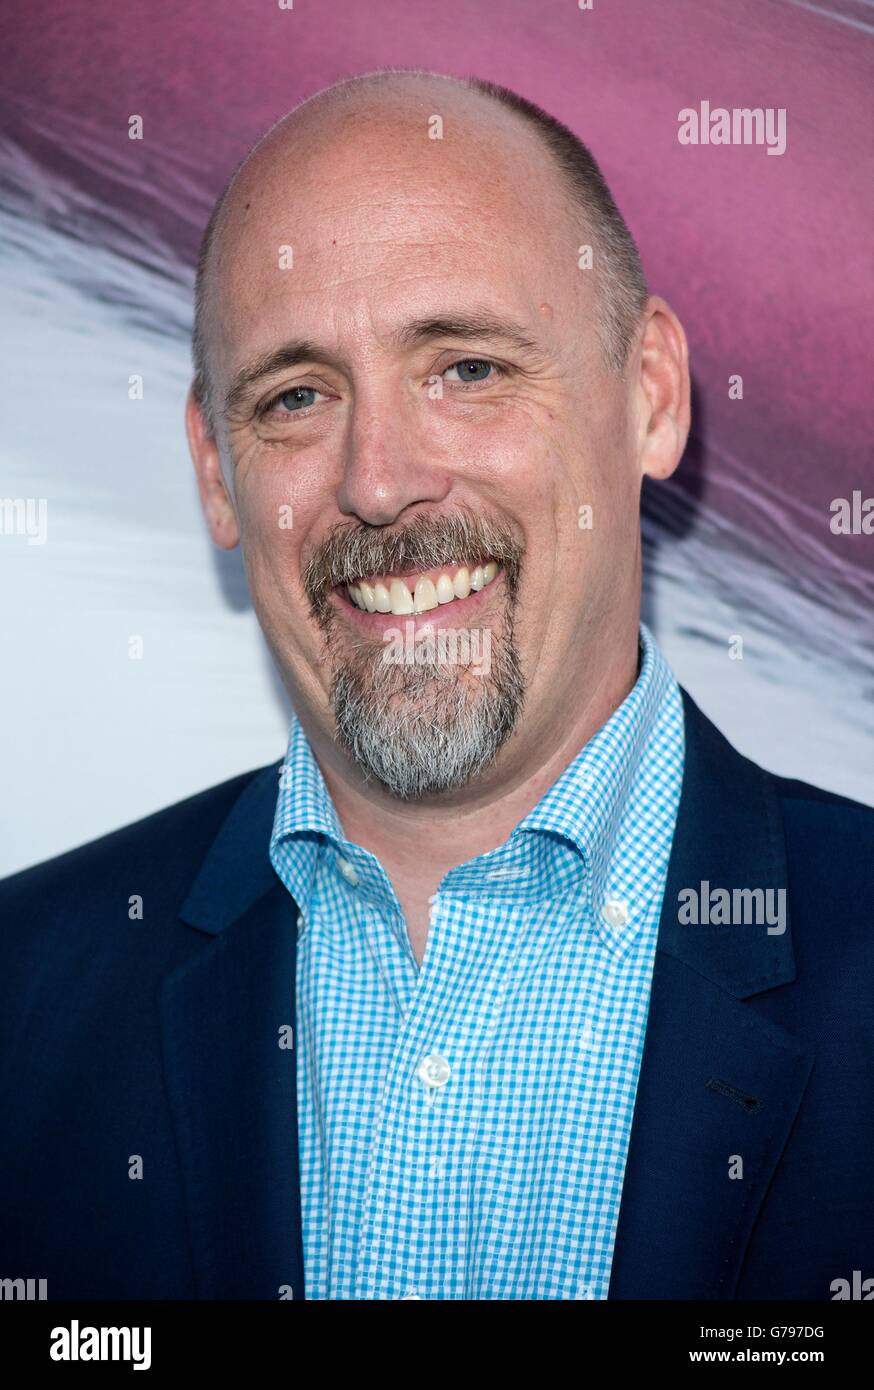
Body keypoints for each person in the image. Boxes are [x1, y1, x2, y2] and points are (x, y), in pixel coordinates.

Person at [1, 70, 871, 1302]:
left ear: (651, 397)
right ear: (215, 470)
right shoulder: (23, 997)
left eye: (465, 367)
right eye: (297, 397)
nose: (378, 480)